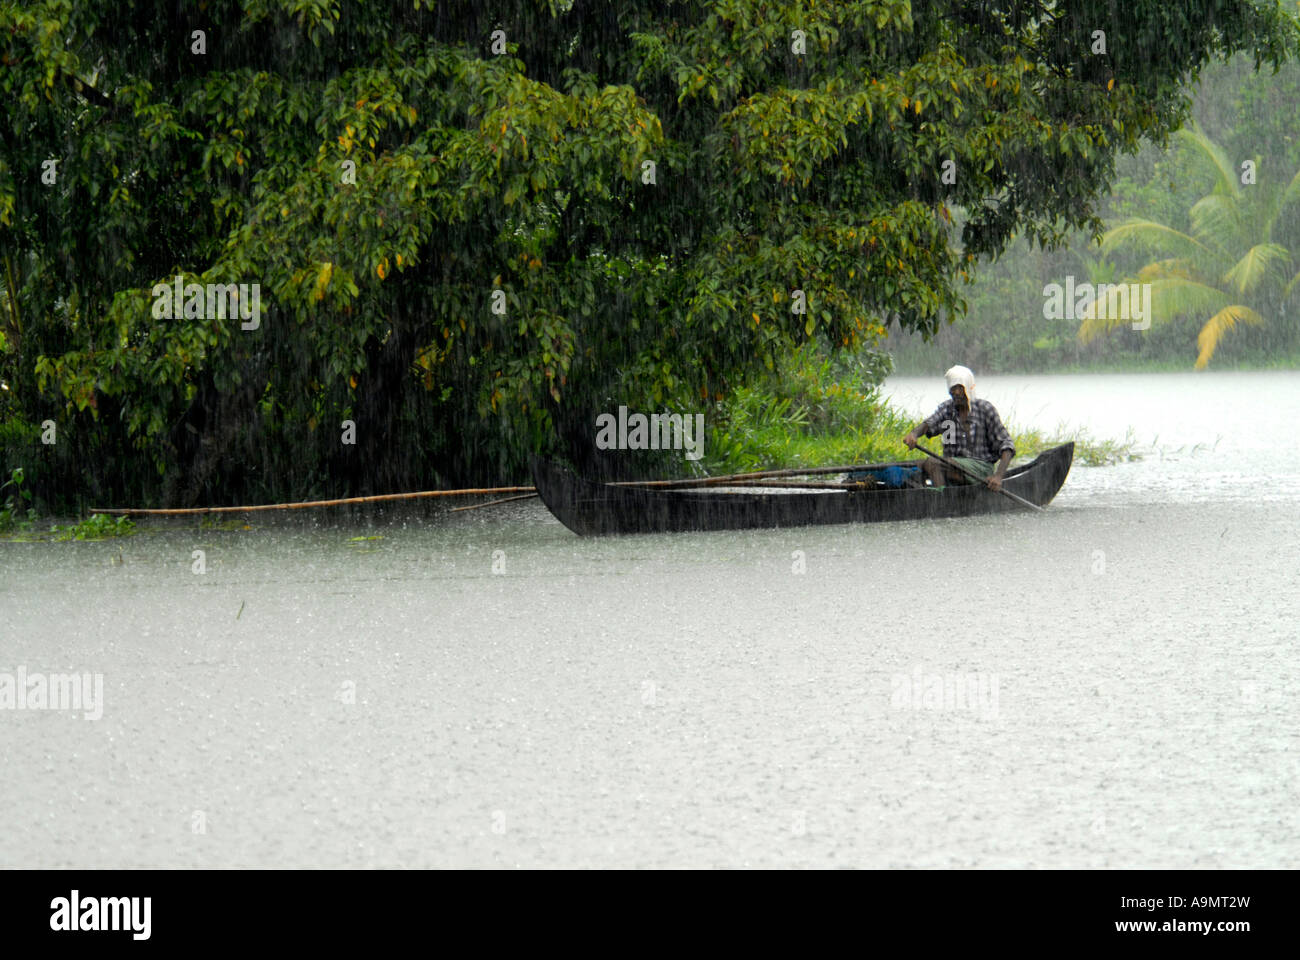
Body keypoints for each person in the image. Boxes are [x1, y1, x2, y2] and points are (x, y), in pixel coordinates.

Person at [902, 365, 1015, 490]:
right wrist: (914, 434)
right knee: (918, 466)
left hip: (980, 469)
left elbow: (1007, 446)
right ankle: (944, 495)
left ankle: (941, 500)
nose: (956, 392)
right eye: (953, 389)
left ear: (969, 388)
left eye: (960, 388)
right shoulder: (947, 409)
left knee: (934, 463)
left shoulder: (985, 409)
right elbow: (929, 423)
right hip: (953, 467)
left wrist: (998, 476)